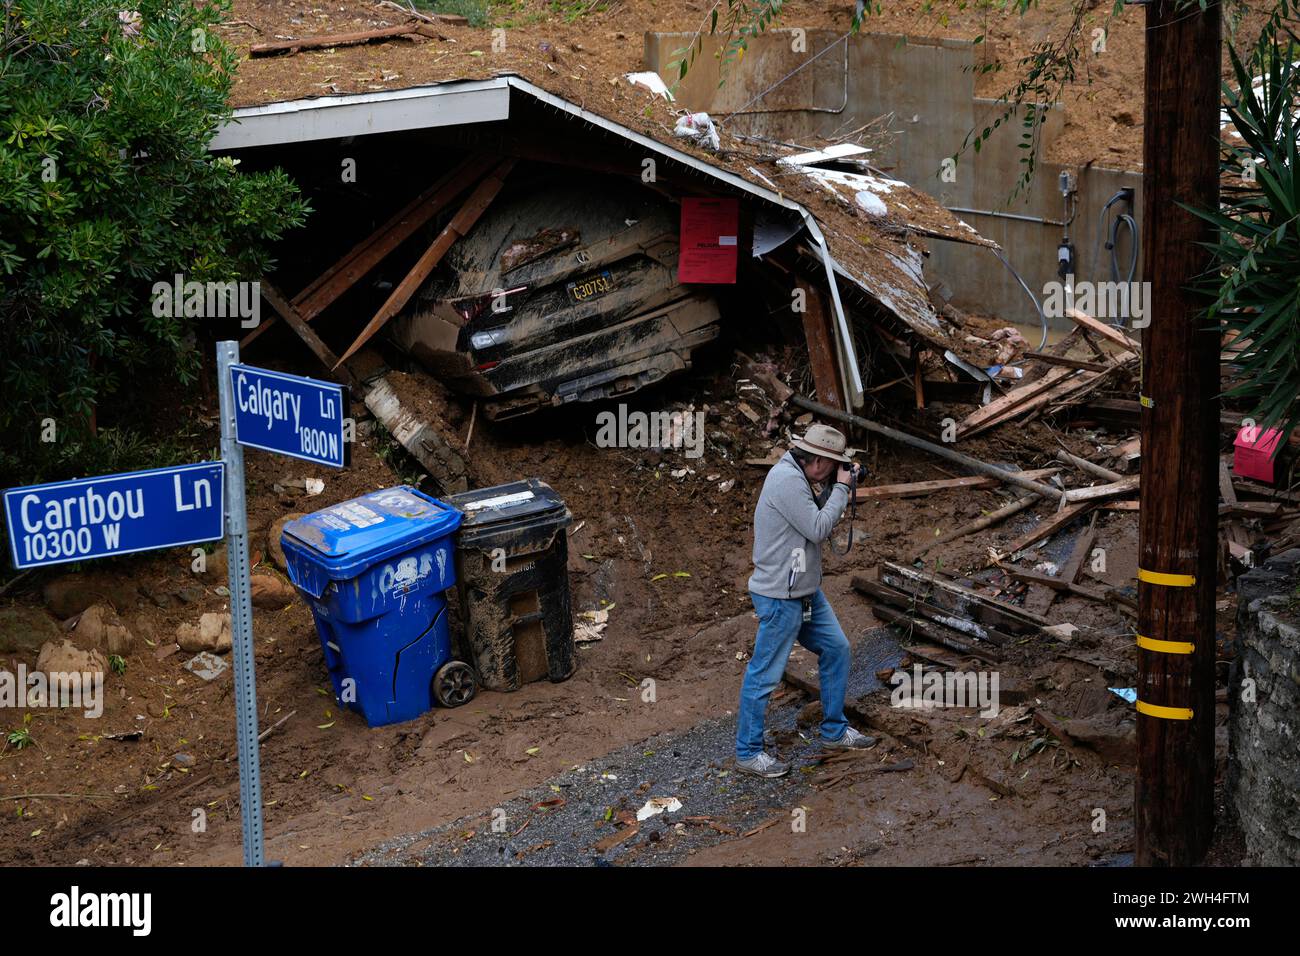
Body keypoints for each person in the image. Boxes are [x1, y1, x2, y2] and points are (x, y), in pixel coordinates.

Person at [735, 422, 877, 777]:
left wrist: (836, 485)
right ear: (816, 460)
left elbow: (813, 521)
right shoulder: (786, 481)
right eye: (833, 465)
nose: (835, 471)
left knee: (836, 649)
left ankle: (833, 731)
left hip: (804, 592)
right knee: (764, 674)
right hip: (782, 596)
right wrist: (842, 488)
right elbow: (817, 528)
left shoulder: (800, 476)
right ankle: (748, 752)